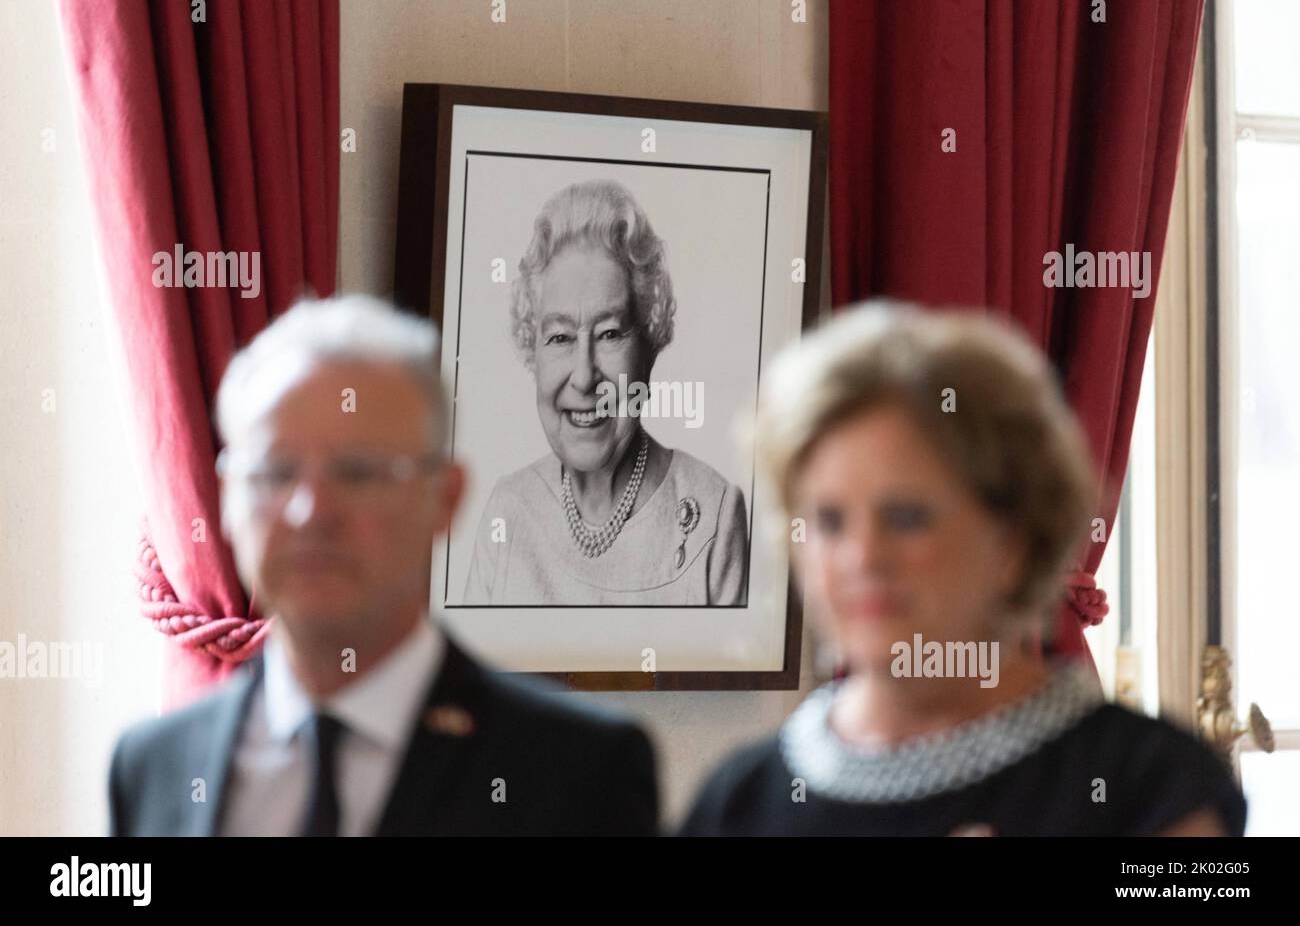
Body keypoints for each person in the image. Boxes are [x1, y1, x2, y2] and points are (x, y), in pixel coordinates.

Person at [681, 301, 1246, 836]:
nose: (861, 557)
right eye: (829, 522)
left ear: (1014, 540)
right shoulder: (739, 802)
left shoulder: (1151, 786)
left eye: (906, 516)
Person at [108, 296, 658, 836]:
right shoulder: (153, 768)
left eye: (358, 473)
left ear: (445, 498)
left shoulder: (579, 773)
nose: (310, 512)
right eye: (275, 473)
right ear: (226, 498)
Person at [463, 179, 749, 606]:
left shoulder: (713, 511)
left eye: (610, 333)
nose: (583, 377)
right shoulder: (508, 511)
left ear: (649, 343)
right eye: (559, 338)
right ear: (532, 351)